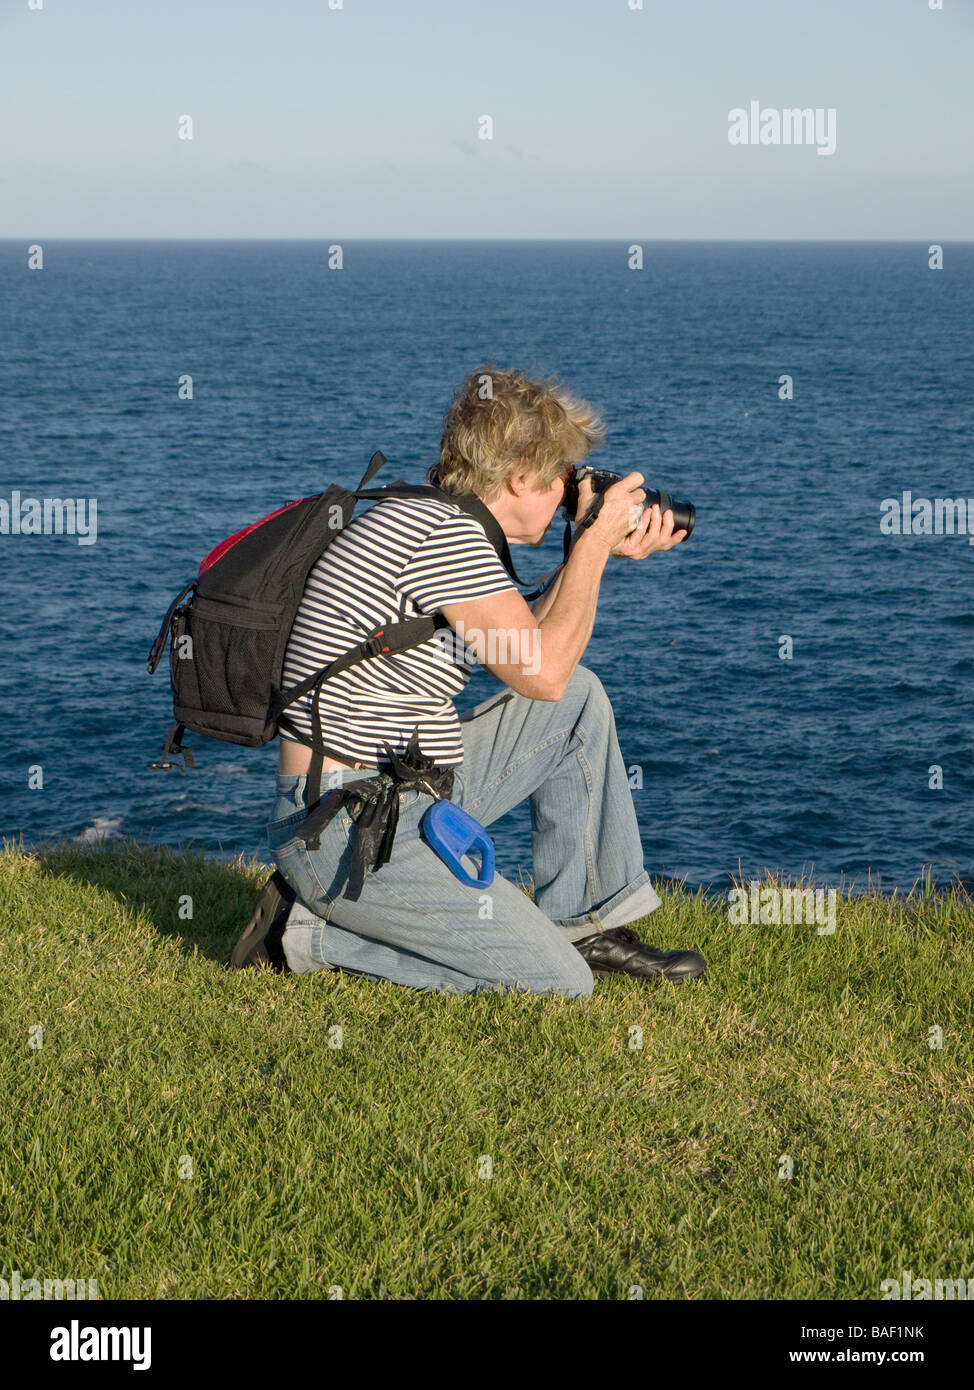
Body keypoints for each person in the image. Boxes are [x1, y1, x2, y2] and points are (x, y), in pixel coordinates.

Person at [229, 365, 706, 996]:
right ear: (520, 475)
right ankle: (302, 934)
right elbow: (543, 673)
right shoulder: (446, 539)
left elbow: (527, 648)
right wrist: (591, 546)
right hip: (342, 827)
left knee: (580, 702)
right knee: (557, 984)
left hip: (398, 789)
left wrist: (586, 549)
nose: (569, 490)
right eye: (562, 477)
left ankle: (586, 922)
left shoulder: (434, 518)